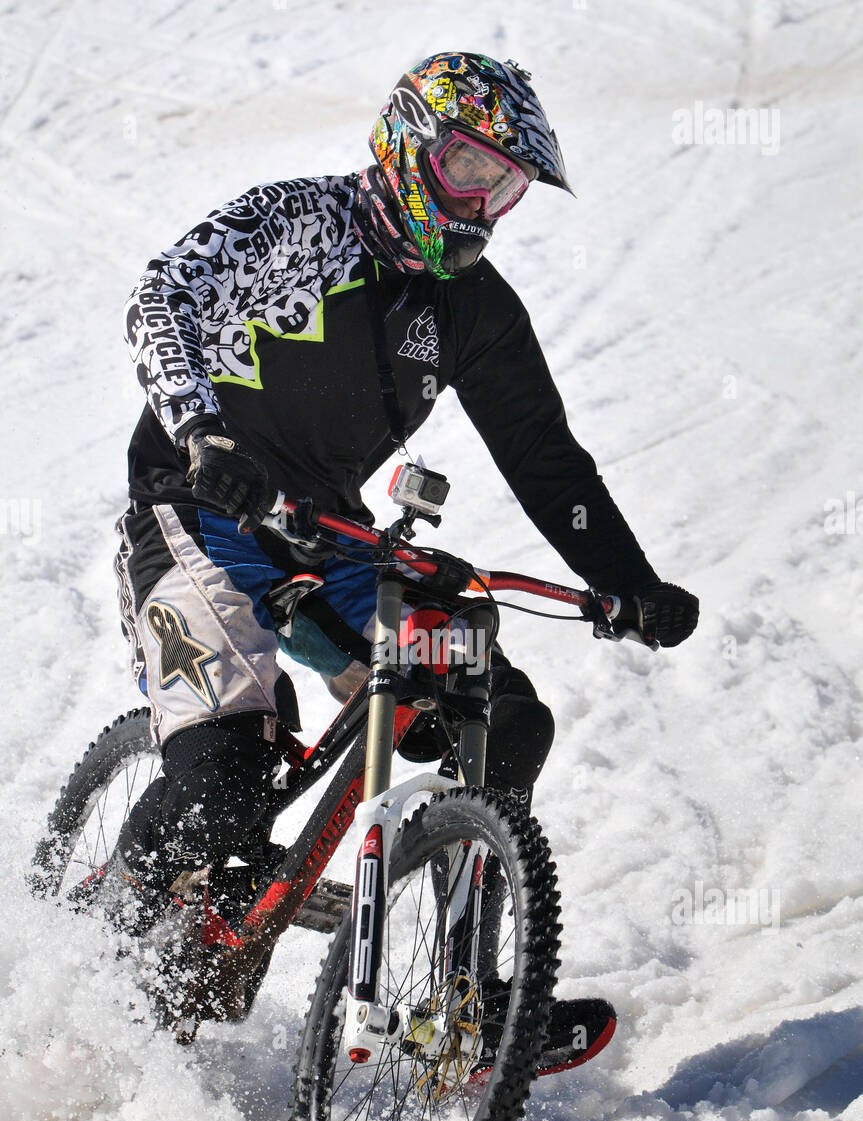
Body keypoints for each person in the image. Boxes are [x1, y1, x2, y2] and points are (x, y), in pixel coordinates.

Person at [110, 52, 698, 1060]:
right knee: (222, 785)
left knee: (497, 710)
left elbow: (545, 457)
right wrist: (203, 434)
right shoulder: (303, 224)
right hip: (195, 510)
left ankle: (468, 1007)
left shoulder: (473, 310)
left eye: (504, 186)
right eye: (470, 169)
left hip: (321, 532)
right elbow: (162, 298)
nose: (484, 203)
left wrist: (629, 587)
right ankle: (95, 946)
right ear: (408, 143)